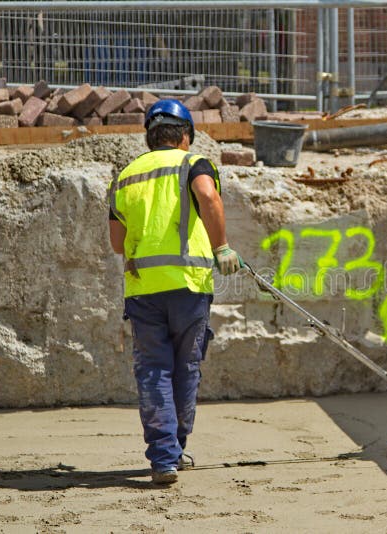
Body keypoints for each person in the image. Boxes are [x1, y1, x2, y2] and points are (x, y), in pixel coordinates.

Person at [107, 99, 242, 484]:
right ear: (186, 136)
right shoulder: (193, 163)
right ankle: (176, 448)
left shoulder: (125, 176)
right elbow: (208, 196)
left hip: (143, 291)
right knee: (185, 368)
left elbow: (117, 243)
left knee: (153, 370)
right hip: (189, 286)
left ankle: (164, 459)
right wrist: (222, 248)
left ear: (150, 137)